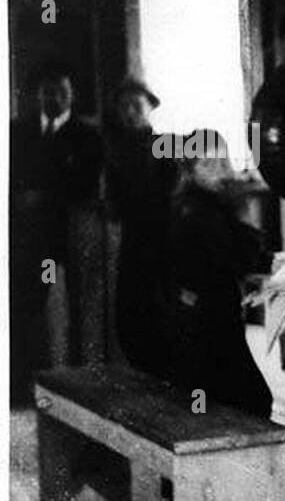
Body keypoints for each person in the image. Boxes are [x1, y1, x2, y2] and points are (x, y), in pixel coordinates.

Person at [8, 61, 102, 400]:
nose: (55, 98)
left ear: (72, 95)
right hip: (21, 247)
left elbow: (84, 189)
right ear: (37, 94)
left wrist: (40, 196)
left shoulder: (87, 137)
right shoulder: (16, 133)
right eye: (48, 91)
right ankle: (21, 387)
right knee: (23, 314)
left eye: (62, 92)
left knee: (59, 317)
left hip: (63, 248)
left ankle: (63, 389)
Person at [166, 130, 273, 419]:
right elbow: (243, 261)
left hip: (206, 318)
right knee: (255, 402)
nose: (221, 172)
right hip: (205, 326)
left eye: (224, 162)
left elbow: (252, 259)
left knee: (246, 399)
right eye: (208, 165)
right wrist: (243, 210)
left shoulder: (206, 204)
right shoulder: (198, 212)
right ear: (190, 171)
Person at [104, 78, 177, 376]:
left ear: (149, 109)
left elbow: (172, 193)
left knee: (162, 308)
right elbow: (114, 204)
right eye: (124, 107)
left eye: (136, 105)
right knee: (130, 310)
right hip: (132, 240)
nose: (130, 112)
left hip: (164, 239)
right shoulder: (116, 152)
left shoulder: (166, 145)